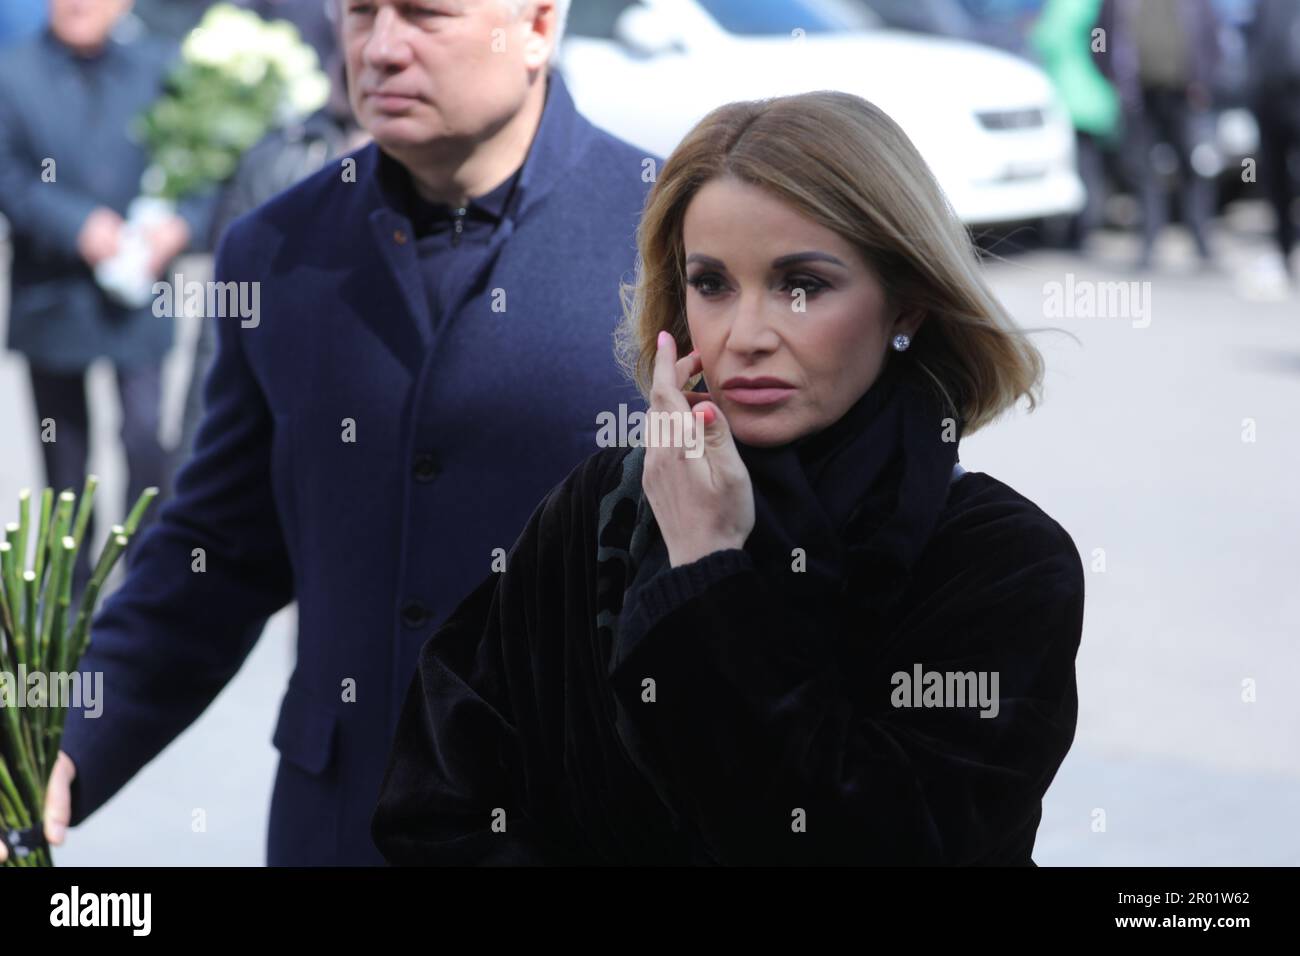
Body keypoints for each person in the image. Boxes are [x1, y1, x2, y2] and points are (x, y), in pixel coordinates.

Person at [2, 0, 657, 867]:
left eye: (424, 15)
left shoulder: (667, 238)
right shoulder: (275, 248)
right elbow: (218, 552)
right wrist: (65, 744)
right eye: (359, 13)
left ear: (537, 24)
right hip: (338, 825)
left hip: (578, 828)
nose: (380, 48)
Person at [371, 91, 1087, 865]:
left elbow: (882, 839)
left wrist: (710, 579)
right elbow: (433, 810)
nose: (745, 336)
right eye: (711, 284)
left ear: (907, 305)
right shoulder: (596, 510)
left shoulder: (999, 559)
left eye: (801, 285)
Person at [0, 0, 211, 595]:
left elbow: (203, 168)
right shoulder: (11, 73)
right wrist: (78, 227)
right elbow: (9, 176)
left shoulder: (163, 68)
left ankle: (144, 581)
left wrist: (181, 227)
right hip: (53, 294)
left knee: (146, 437)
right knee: (63, 456)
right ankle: (69, 593)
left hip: (139, 293)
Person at [1095, 0, 1221, 270]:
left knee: (1193, 167)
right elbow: (1099, 37)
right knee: (1142, 170)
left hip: (1183, 95)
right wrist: (1114, 79)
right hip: (1139, 97)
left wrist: (1204, 82)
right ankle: (1149, 241)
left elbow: (1211, 36)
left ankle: (1201, 240)